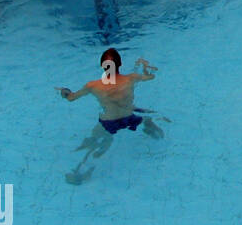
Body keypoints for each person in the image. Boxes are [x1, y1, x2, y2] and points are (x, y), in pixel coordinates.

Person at [58, 49, 163, 184]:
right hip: (129, 117)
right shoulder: (131, 78)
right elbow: (151, 76)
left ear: (102, 65)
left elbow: (71, 98)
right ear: (119, 65)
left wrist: (64, 92)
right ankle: (149, 124)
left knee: (95, 143)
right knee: (144, 116)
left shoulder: (93, 85)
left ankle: (80, 174)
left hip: (109, 122)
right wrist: (145, 66)